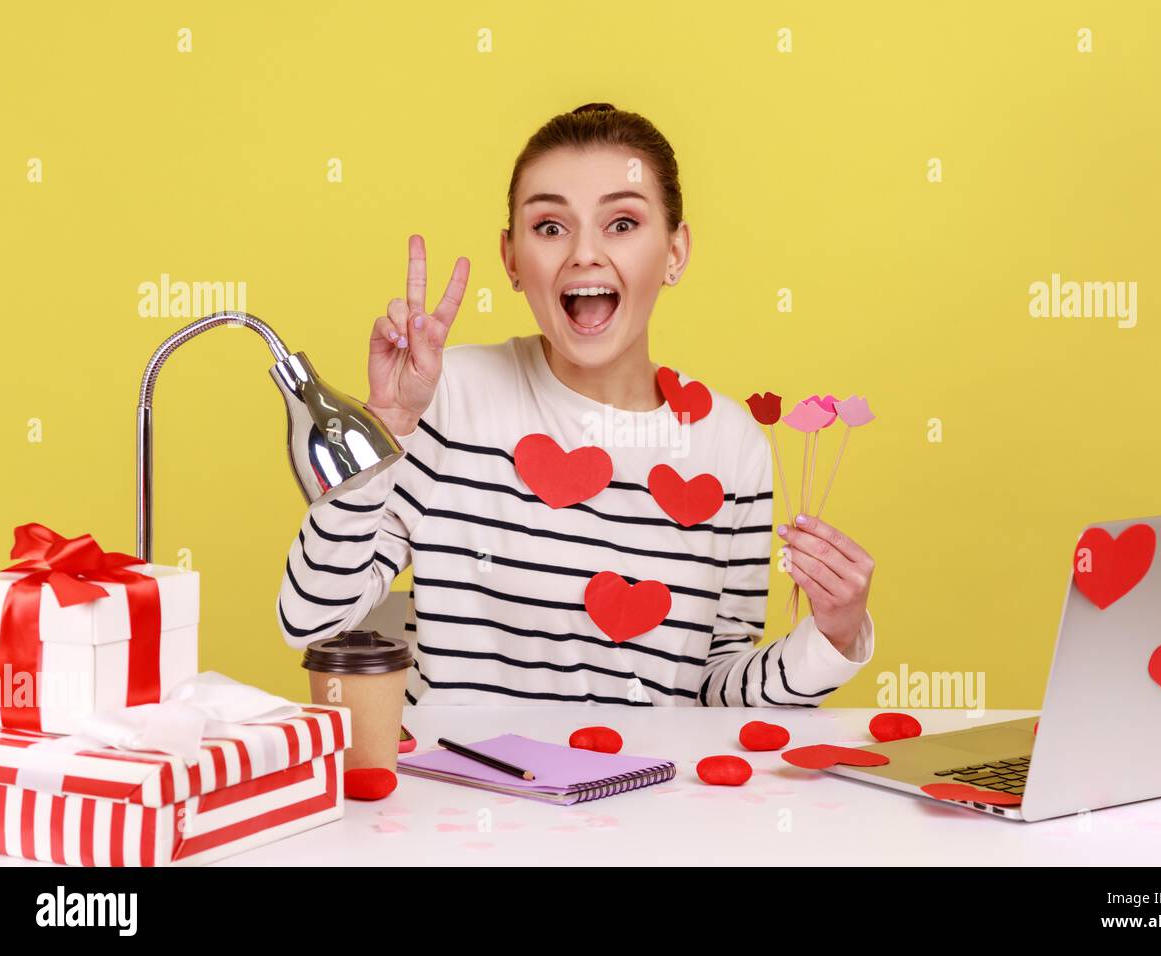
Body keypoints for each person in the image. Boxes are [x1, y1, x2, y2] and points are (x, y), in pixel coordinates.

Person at [276, 102, 876, 707]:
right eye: (551, 227)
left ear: (675, 252)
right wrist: (388, 425)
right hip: (459, 790)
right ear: (512, 259)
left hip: (651, 797)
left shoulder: (732, 445)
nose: (585, 253)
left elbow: (714, 687)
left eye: (621, 223)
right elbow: (311, 622)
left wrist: (834, 635)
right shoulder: (448, 397)